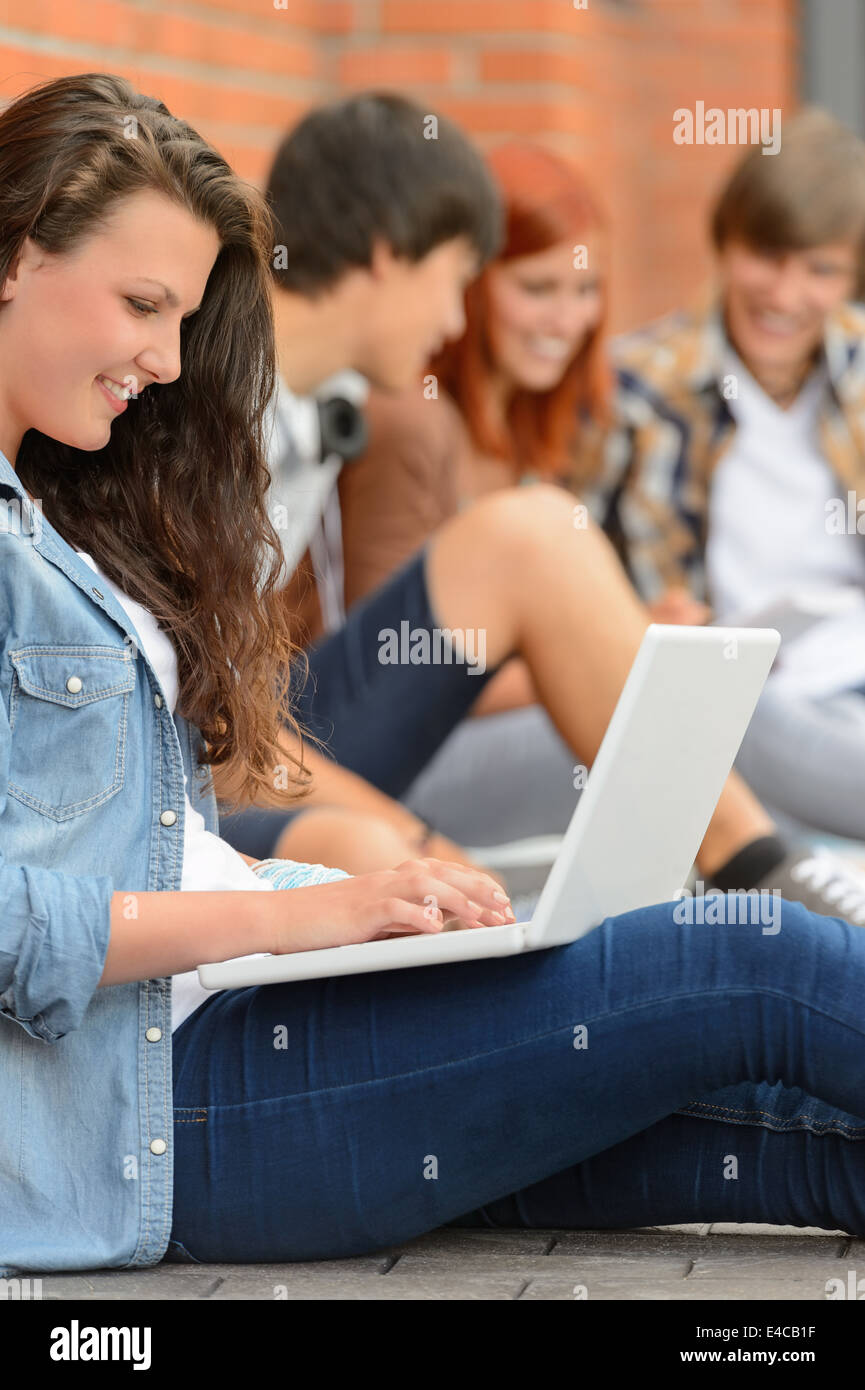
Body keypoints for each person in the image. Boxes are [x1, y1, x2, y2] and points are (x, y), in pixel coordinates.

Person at [5, 73, 865, 1281]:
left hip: (220, 1021)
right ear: (15, 252)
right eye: (142, 304)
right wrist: (294, 914)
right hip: (155, 1102)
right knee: (749, 959)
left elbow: (143, 845)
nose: (163, 357)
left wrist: (351, 897)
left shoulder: (59, 513)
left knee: (787, 1137)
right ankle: (770, 868)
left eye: (181, 318)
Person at [216, 99, 864, 926]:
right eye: (459, 279)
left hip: (286, 732)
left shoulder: (326, 399)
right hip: (223, 763)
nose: (454, 318)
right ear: (387, 254)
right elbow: (208, 724)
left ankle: (758, 865)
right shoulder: (213, 399)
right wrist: (420, 842)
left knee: (535, 531)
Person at [588, 107, 865, 844]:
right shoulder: (636, 386)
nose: (785, 294)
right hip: (737, 694)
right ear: (725, 243)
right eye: (766, 256)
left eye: (820, 270)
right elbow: (564, 566)